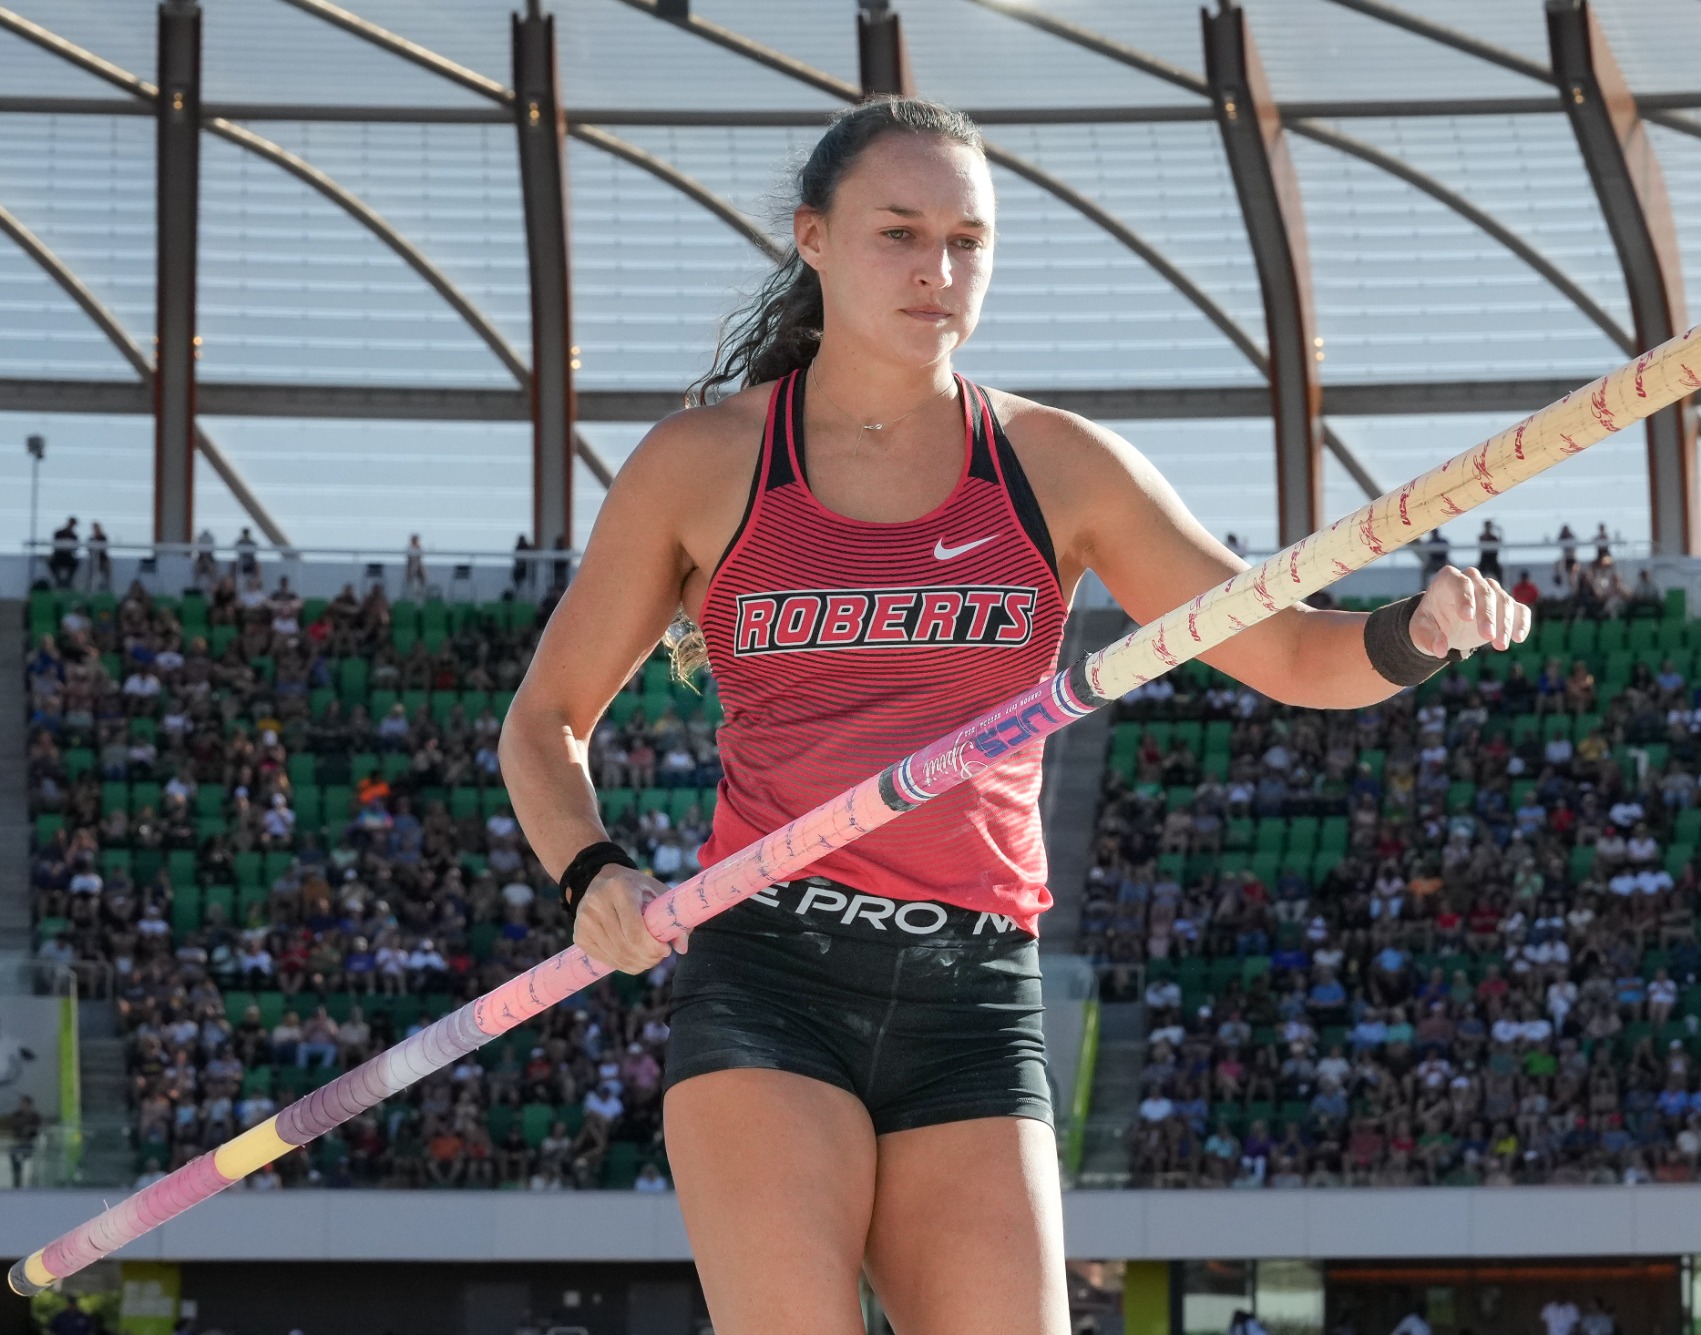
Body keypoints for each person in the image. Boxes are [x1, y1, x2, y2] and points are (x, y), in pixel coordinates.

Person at [496, 96, 1531, 1334]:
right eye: (898, 233)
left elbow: (1292, 655)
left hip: (971, 995)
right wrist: (590, 870)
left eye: (968, 240)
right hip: (769, 976)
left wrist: (1414, 635)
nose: (938, 271)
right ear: (811, 237)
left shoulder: (1057, 465)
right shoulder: (700, 464)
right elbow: (543, 720)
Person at [8, 1093, 42, 1188]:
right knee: (14, 1154)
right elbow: (14, 1127)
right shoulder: (17, 1115)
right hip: (19, 1143)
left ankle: (30, 1182)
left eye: (25, 1104)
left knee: (26, 1155)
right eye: (22, 1104)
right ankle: (17, 1179)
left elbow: (40, 1128)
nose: (23, 1106)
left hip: (31, 1144)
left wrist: (31, 1129)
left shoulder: (35, 1116)